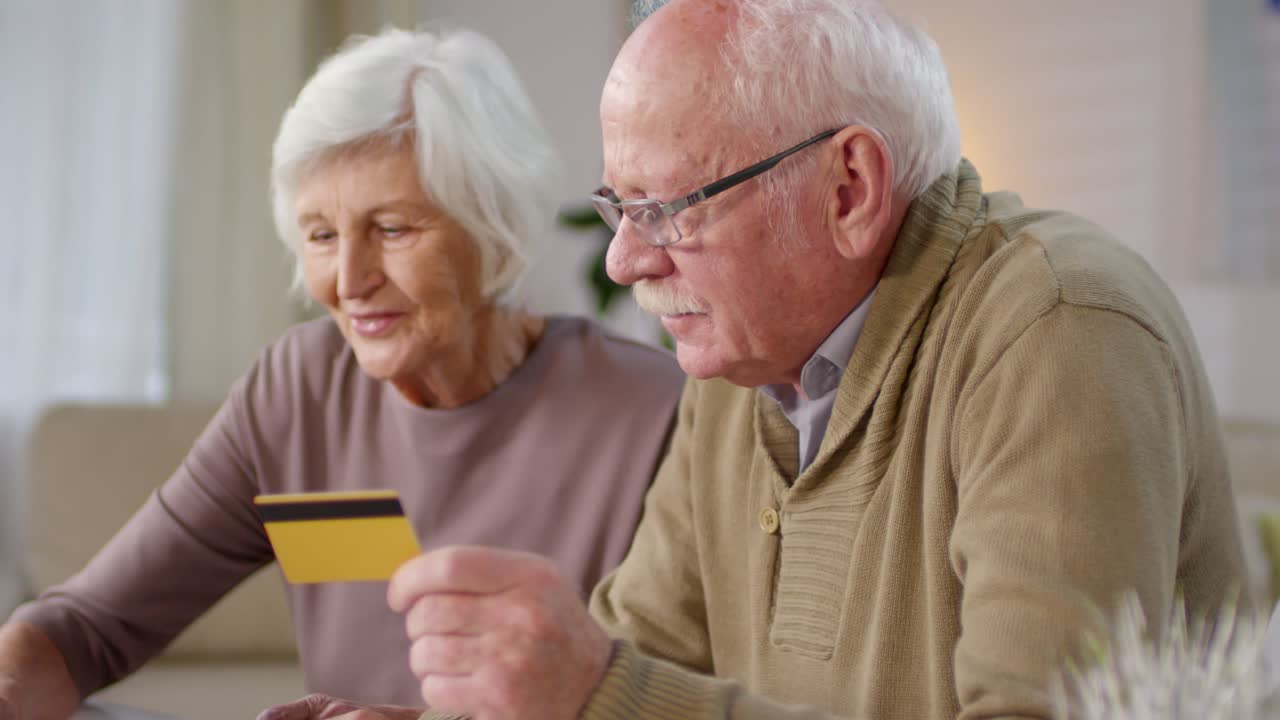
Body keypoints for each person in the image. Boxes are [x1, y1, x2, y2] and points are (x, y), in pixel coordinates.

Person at [337, 1, 1253, 719]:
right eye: (621, 206)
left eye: (668, 207)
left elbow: (618, 691)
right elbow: (645, 649)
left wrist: (600, 694)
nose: (624, 259)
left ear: (848, 189)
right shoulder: (744, 358)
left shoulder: (1059, 330)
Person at [0, 25, 684, 719]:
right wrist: (16, 666)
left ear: (493, 228)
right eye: (322, 236)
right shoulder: (297, 393)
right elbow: (88, 628)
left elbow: (668, 701)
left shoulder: (654, 415)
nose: (349, 281)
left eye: (392, 229)